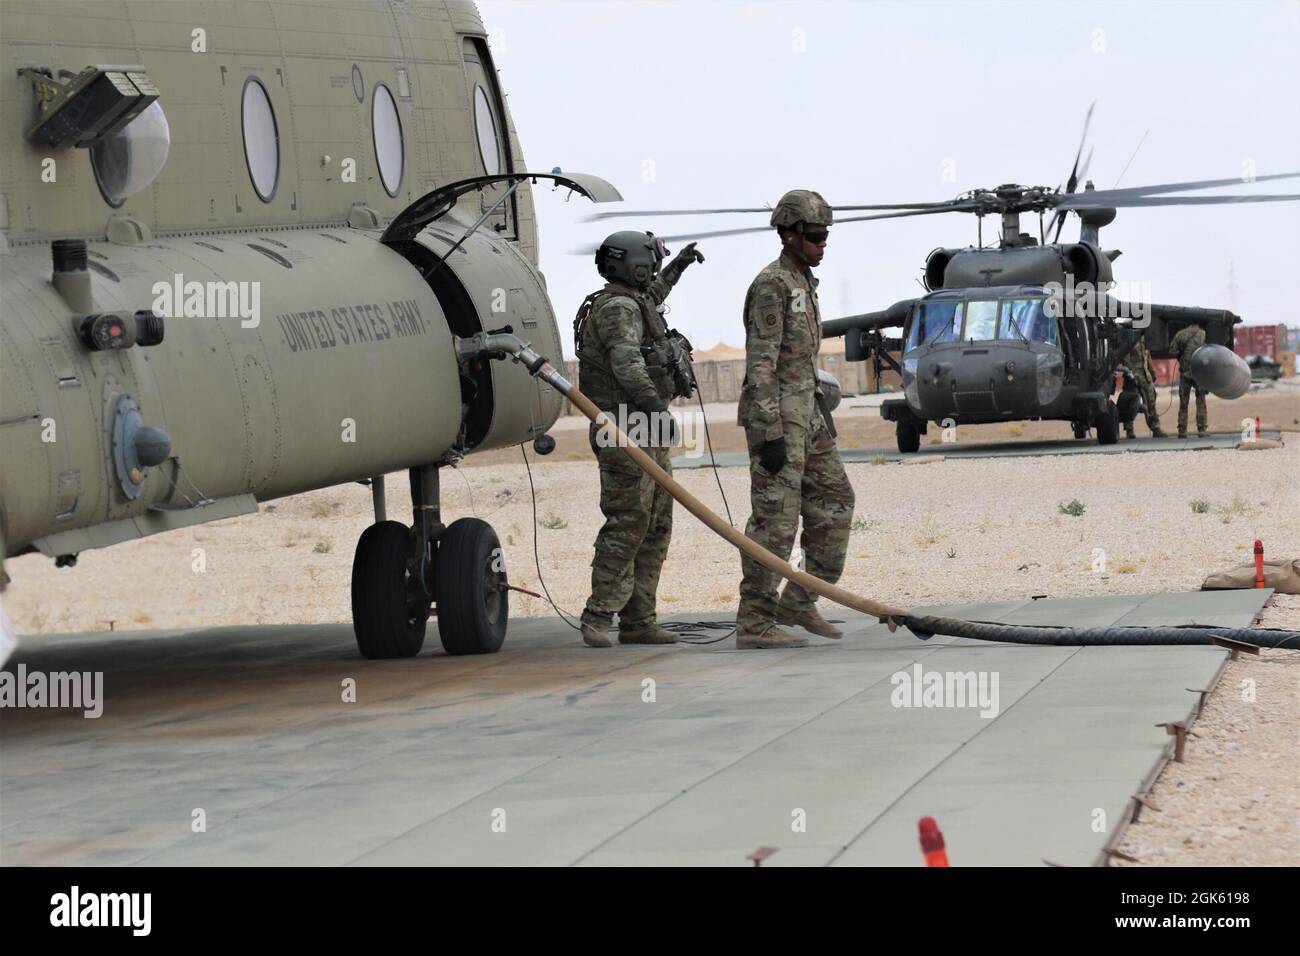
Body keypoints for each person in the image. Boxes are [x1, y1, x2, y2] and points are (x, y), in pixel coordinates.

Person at [735, 190, 854, 649]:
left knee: (836, 502)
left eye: (826, 237)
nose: (823, 244)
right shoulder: (773, 286)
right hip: (778, 421)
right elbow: (761, 364)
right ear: (789, 235)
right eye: (815, 237)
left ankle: (800, 600)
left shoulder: (804, 281)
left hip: (809, 416)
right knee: (775, 522)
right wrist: (769, 434)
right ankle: (755, 623)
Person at [575, 231, 703, 647]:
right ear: (635, 265)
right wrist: (657, 409)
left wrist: (680, 264)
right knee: (629, 519)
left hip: (641, 426)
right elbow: (628, 365)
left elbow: (656, 291)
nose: (653, 269)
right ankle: (598, 616)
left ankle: (638, 620)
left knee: (656, 523)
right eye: (650, 261)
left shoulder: (634, 302)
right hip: (625, 427)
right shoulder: (617, 310)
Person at [1120, 334, 1166, 438]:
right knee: (1130, 404)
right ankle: (1129, 430)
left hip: (1146, 377)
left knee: (1151, 402)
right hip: (1132, 378)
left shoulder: (1144, 340)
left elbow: (1147, 358)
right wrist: (1134, 375)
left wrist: (1152, 372)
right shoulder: (1128, 339)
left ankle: (1155, 428)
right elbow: (1125, 360)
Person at [1170, 323, 1208, 438]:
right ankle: (1201, 430)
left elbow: (1172, 351)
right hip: (1199, 373)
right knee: (1201, 401)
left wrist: (1181, 354)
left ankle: (1182, 431)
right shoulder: (1204, 334)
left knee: (1183, 403)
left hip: (1185, 373)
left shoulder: (1180, 334)